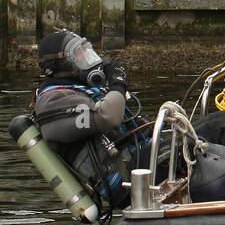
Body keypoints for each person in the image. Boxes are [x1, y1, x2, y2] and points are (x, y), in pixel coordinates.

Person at [32, 30, 142, 212]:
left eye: (86, 51)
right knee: (207, 130)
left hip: (137, 160)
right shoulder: (53, 101)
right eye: (78, 54)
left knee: (202, 132)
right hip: (125, 178)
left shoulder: (81, 89)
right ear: (58, 64)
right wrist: (118, 84)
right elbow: (109, 117)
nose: (86, 59)